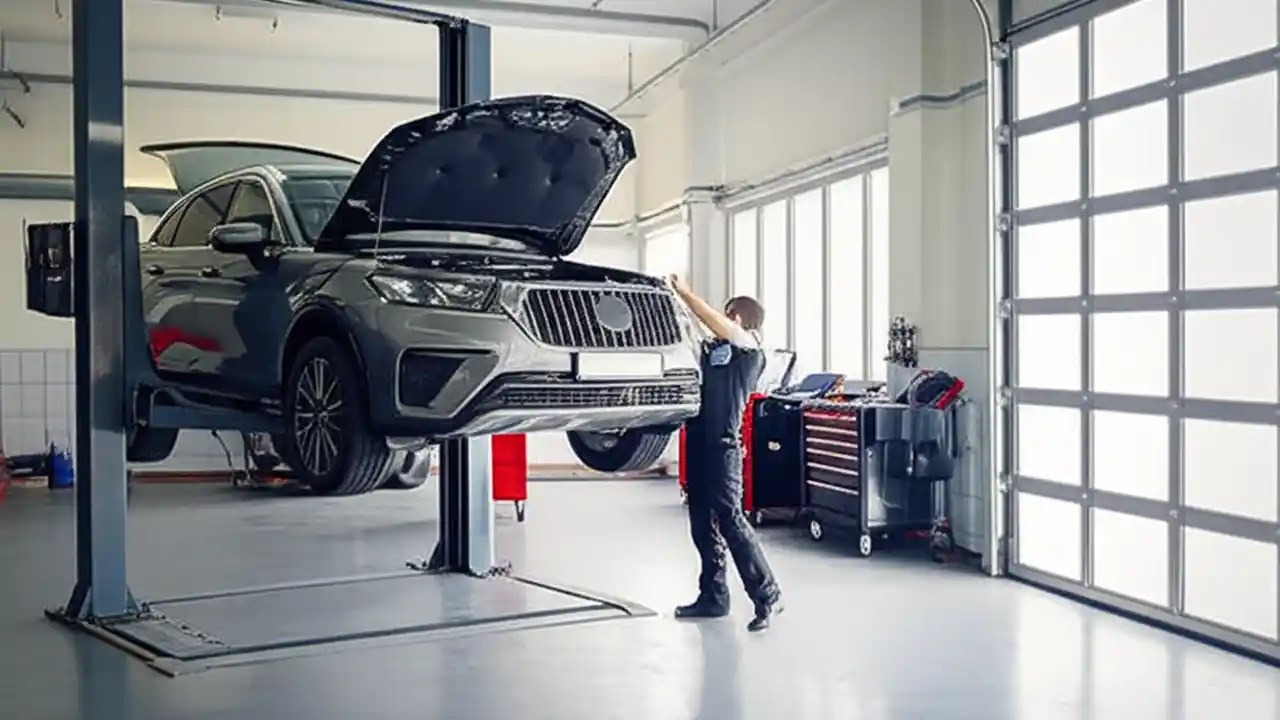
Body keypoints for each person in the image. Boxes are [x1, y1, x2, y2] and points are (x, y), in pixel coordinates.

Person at [667, 274, 783, 632]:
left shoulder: (747, 345)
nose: (717, 319)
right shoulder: (715, 348)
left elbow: (708, 320)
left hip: (723, 447)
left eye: (724, 314)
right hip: (700, 442)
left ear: (735, 318)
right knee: (701, 521)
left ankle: (768, 595)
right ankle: (713, 597)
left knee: (730, 518)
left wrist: (685, 292)